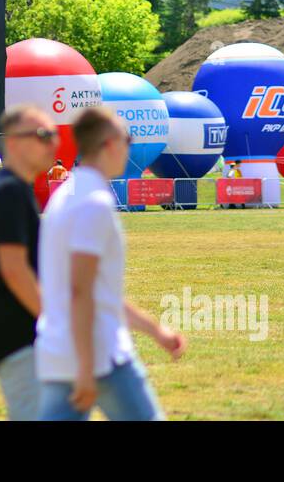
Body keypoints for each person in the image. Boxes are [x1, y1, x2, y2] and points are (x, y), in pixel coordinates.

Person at [35, 107, 186, 421]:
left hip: (61, 350)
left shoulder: (66, 195)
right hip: (101, 356)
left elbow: (96, 289)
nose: (130, 147)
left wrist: (155, 331)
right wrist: (87, 368)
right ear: (109, 144)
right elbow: (81, 291)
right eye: (127, 138)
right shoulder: (94, 203)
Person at [0, 104, 56, 420]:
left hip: (8, 325)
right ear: (17, 142)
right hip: (16, 329)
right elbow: (13, 268)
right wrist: (54, 322)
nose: (53, 144)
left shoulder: (5, 186)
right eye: (44, 135)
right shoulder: (9, 190)